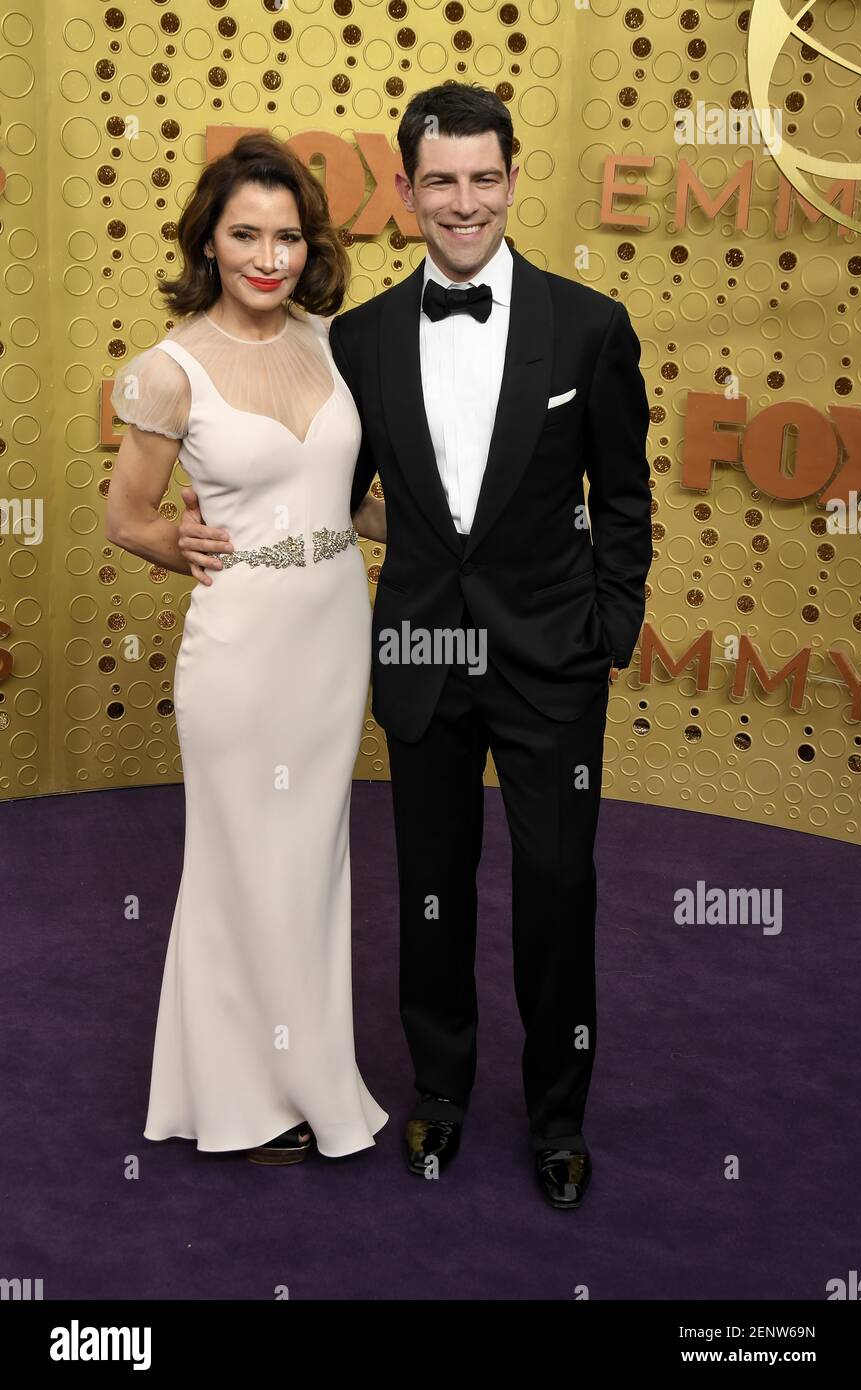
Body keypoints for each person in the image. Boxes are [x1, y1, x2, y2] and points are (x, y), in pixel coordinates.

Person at [180, 84, 653, 1210]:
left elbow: (623, 496)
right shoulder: (362, 336)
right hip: (420, 651)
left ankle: (554, 1117)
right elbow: (326, 493)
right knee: (429, 890)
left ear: (510, 179)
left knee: (553, 886)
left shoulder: (589, 324)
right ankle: (438, 1098)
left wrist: (607, 630)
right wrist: (213, 526)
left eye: (482, 176)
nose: (462, 199)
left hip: (551, 662)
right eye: (438, 179)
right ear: (403, 193)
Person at [105, 132, 388, 1165]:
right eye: (245, 235)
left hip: (330, 638)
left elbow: (345, 504)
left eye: (286, 236)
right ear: (209, 243)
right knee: (240, 862)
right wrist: (186, 549)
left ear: (305, 245)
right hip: (242, 648)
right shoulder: (165, 371)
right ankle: (242, 1096)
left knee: (310, 860)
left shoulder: (331, 341)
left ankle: (302, 1074)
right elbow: (125, 517)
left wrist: (451, 533)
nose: (268, 257)